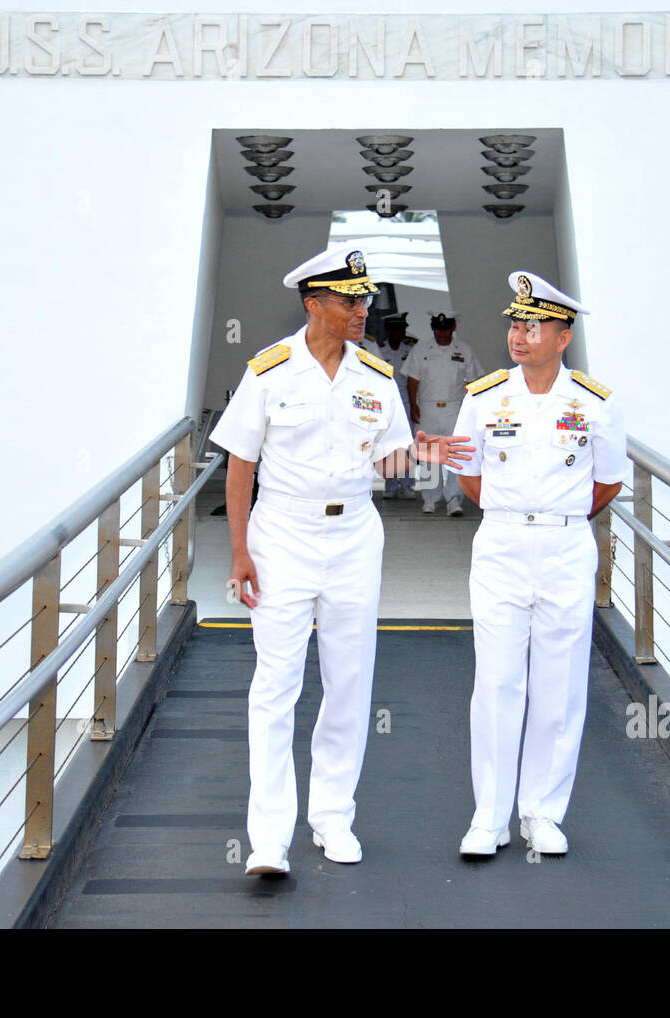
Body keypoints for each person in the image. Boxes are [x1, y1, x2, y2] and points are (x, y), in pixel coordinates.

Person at [208, 243, 473, 876]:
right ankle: (269, 839)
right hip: (281, 536)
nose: (362, 310)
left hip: (354, 533)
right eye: (350, 300)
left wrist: (426, 453)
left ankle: (332, 817)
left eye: (363, 300)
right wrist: (240, 551)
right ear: (313, 303)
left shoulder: (374, 377)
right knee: (276, 686)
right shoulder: (269, 371)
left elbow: (386, 462)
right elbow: (240, 465)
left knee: (349, 682)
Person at [447, 271, 627, 858]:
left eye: (534, 325)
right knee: (497, 679)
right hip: (500, 544)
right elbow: (469, 476)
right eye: (515, 324)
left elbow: (607, 482)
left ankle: (543, 813)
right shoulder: (484, 396)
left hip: (567, 547)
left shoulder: (595, 403)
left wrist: (559, 518)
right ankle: (489, 816)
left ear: (563, 335)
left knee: (561, 683)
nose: (519, 335)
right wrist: (513, 514)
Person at [405, 313, 486, 516]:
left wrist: (471, 410)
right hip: (428, 408)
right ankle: (430, 499)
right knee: (428, 454)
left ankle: (454, 499)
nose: (442, 333)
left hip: (455, 409)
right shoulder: (421, 349)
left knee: (455, 453)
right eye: (438, 329)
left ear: (454, 328)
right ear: (433, 329)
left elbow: (474, 382)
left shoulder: (464, 350)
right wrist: (414, 405)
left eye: (446, 328)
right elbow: (413, 379)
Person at [378, 314, 417, 500]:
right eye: (395, 330)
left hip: (406, 401)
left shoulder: (410, 350)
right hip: (386, 401)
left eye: (401, 330)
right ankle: (391, 484)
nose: (398, 333)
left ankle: (408, 484)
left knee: (407, 444)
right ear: (388, 330)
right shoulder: (379, 349)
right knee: (387, 444)